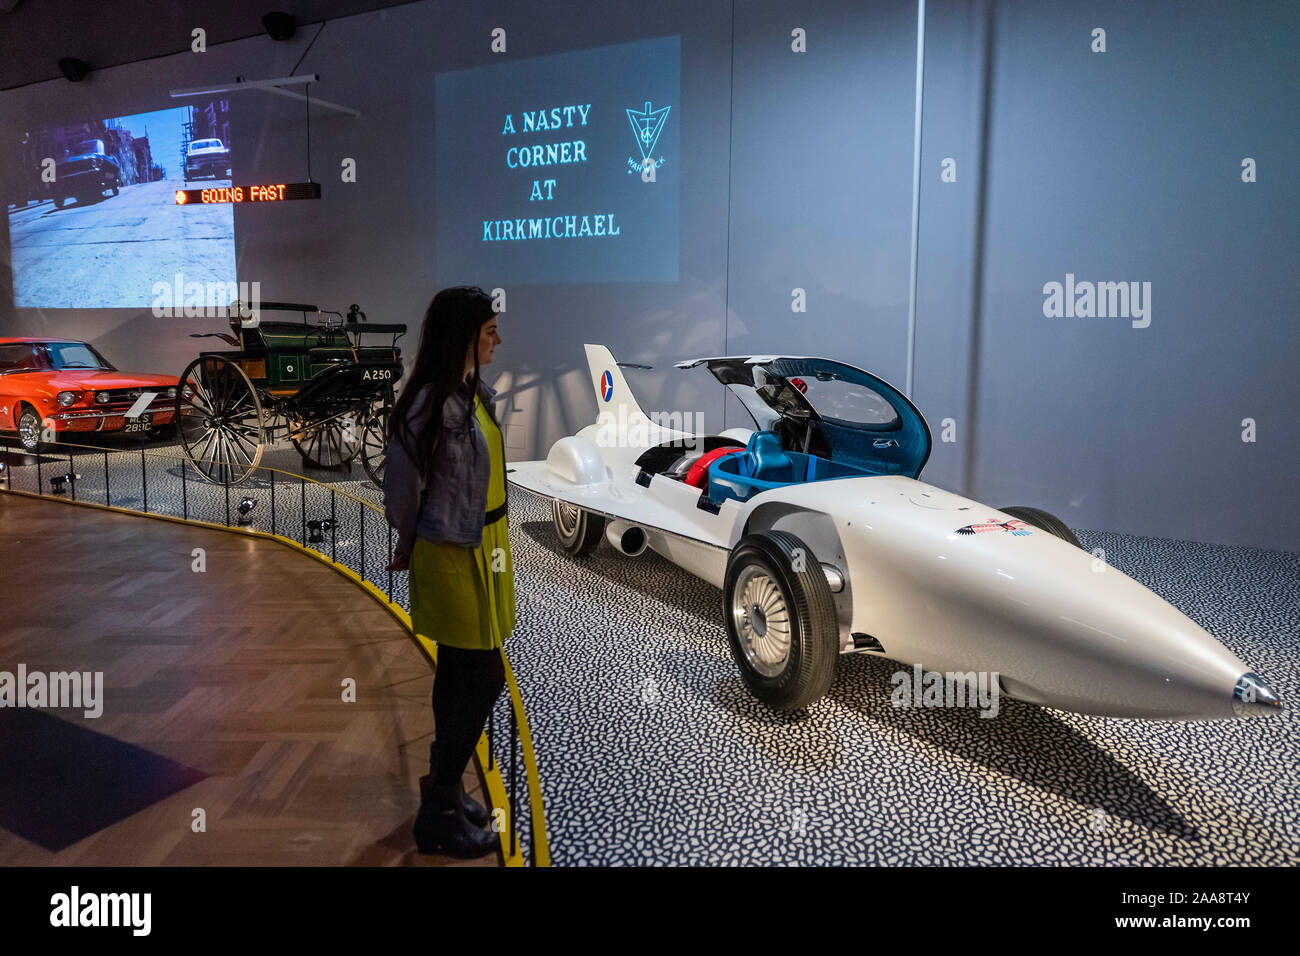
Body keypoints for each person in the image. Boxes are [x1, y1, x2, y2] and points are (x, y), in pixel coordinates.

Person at [383, 286, 513, 859]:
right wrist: (409, 541)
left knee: (460, 672)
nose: (498, 340)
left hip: (484, 547)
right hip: (450, 552)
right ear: (464, 336)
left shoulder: (470, 393)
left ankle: (446, 787)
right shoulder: (428, 404)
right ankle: (437, 806)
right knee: (483, 678)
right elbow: (402, 491)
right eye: (489, 331)